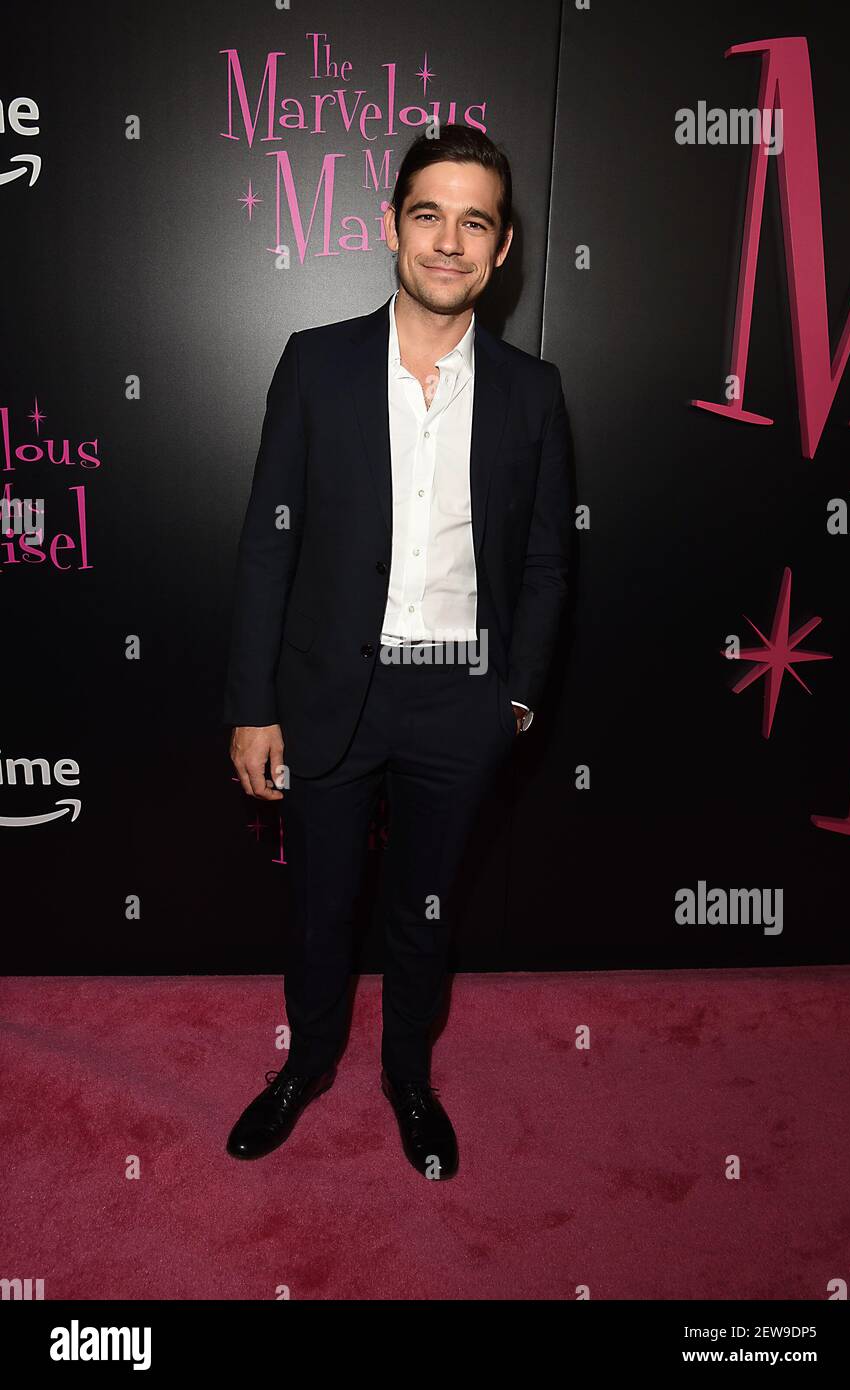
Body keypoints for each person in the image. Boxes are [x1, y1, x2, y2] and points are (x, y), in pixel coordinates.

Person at [222, 124, 573, 1179]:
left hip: (459, 703)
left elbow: (549, 565)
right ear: (391, 227)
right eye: (430, 215)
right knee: (321, 907)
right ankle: (309, 1064)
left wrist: (512, 702)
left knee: (425, 915)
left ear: (502, 248)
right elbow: (263, 543)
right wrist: (252, 701)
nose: (450, 241)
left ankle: (408, 1078)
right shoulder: (315, 364)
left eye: (476, 221)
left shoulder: (532, 391)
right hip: (332, 690)